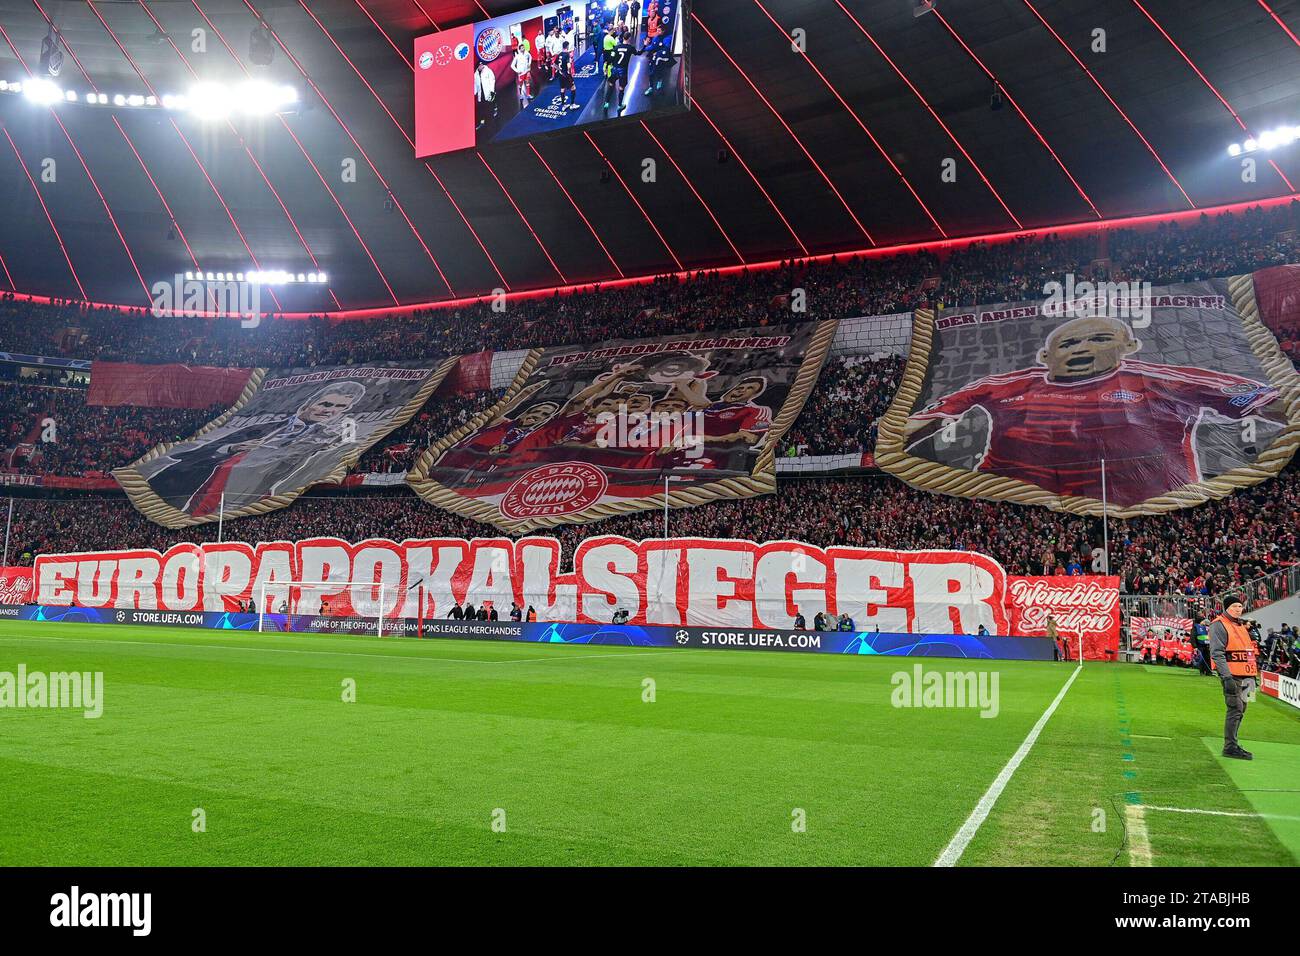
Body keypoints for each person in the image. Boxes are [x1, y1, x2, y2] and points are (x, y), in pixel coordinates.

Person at [902, 316, 1285, 507]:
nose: (1082, 347)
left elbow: (1271, 404)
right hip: (1016, 506)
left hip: (1145, 508)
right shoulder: (1002, 386)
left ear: (1129, 346)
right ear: (1045, 356)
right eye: (1069, 343)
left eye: (1101, 339)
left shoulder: (1165, 378)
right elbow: (919, 425)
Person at [1209, 597, 1258, 760]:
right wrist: (1226, 677)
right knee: (1235, 708)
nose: (1238, 609)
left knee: (1243, 709)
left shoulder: (1240, 625)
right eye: (1234, 606)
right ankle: (1230, 747)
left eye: (1240, 606)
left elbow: (1248, 651)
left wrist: (1253, 676)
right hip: (1233, 675)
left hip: (1247, 676)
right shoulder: (1218, 624)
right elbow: (1217, 653)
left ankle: (1233, 744)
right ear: (1226, 608)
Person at [510, 43, 533, 109]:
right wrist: (517, 71)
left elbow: (530, 57)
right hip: (521, 73)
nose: (523, 49)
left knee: (528, 83)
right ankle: (520, 95)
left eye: (524, 47)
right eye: (522, 48)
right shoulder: (517, 56)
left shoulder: (526, 53)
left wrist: (529, 63)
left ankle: (528, 94)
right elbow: (512, 65)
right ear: (519, 49)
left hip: (526, 71)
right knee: (520, 84)